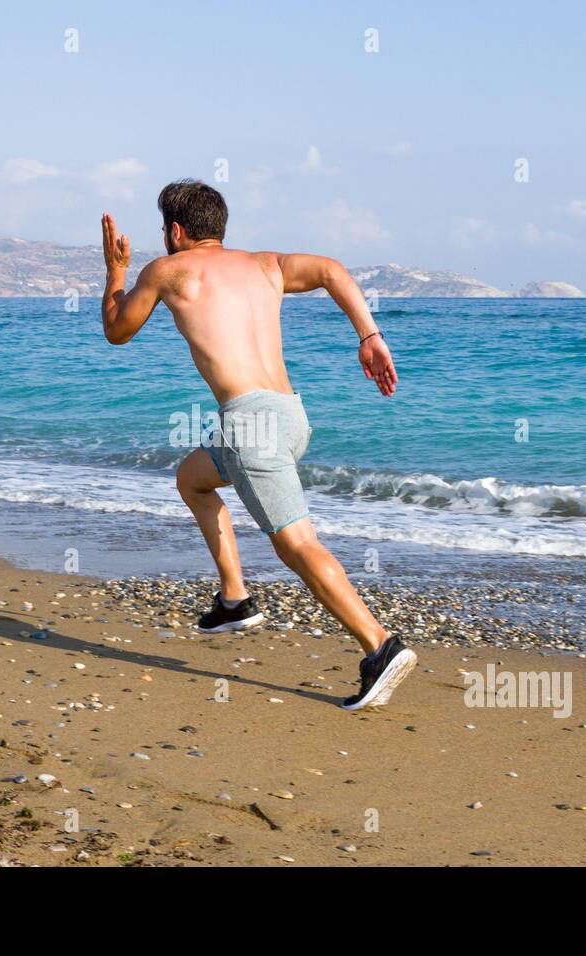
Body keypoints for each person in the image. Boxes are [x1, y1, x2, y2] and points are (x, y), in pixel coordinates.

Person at [100, 179, 416, 710]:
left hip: (251, 429)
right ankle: (234, 598)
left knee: (297, 545)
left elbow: (116, 330)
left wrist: (115, 269)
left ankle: (380, 646)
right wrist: (369, 336)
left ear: (175, 231)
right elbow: (334, 270)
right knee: (192, 479)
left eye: (164, 230)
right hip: (289, 417)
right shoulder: (265, 265)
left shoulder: (167, 272)